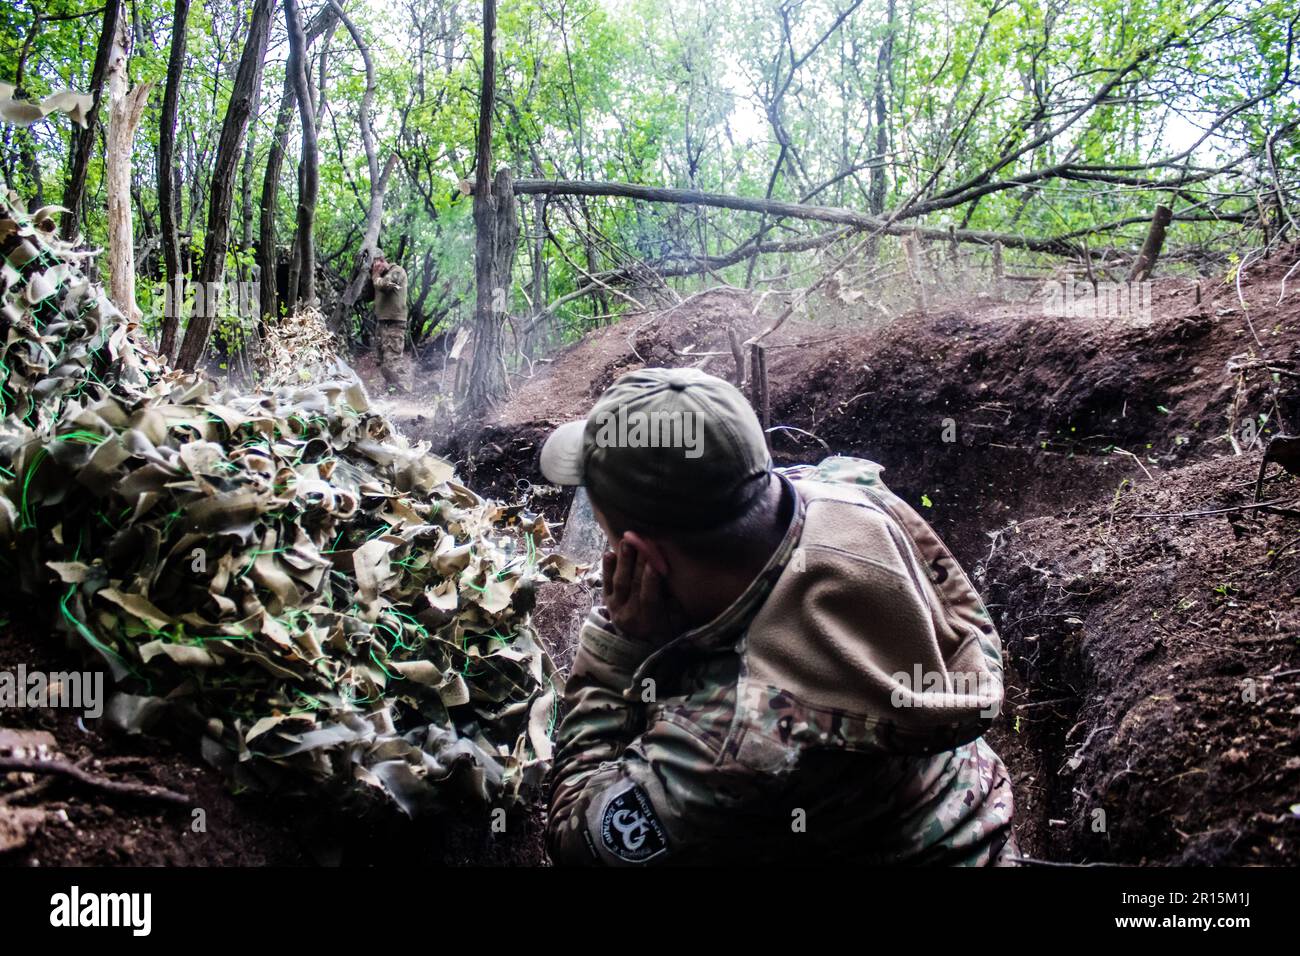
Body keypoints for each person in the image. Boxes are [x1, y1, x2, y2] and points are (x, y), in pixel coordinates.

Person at [538, 366, 1017, 865]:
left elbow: (576, 840)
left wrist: (618, 654)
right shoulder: (855, 495)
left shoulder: (729, 738)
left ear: (643, 558)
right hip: (976, 822)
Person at [370, 253, 410, 391]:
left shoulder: (397, 271)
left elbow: (386, 285)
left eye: (374, 264)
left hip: (395, 322)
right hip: (382, 322)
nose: (373, 269)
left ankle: (398, 392)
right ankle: (391, 389)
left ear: (382, 261)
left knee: (392, 359)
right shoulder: (379, 277)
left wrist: (375, 276)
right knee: (382, 360)